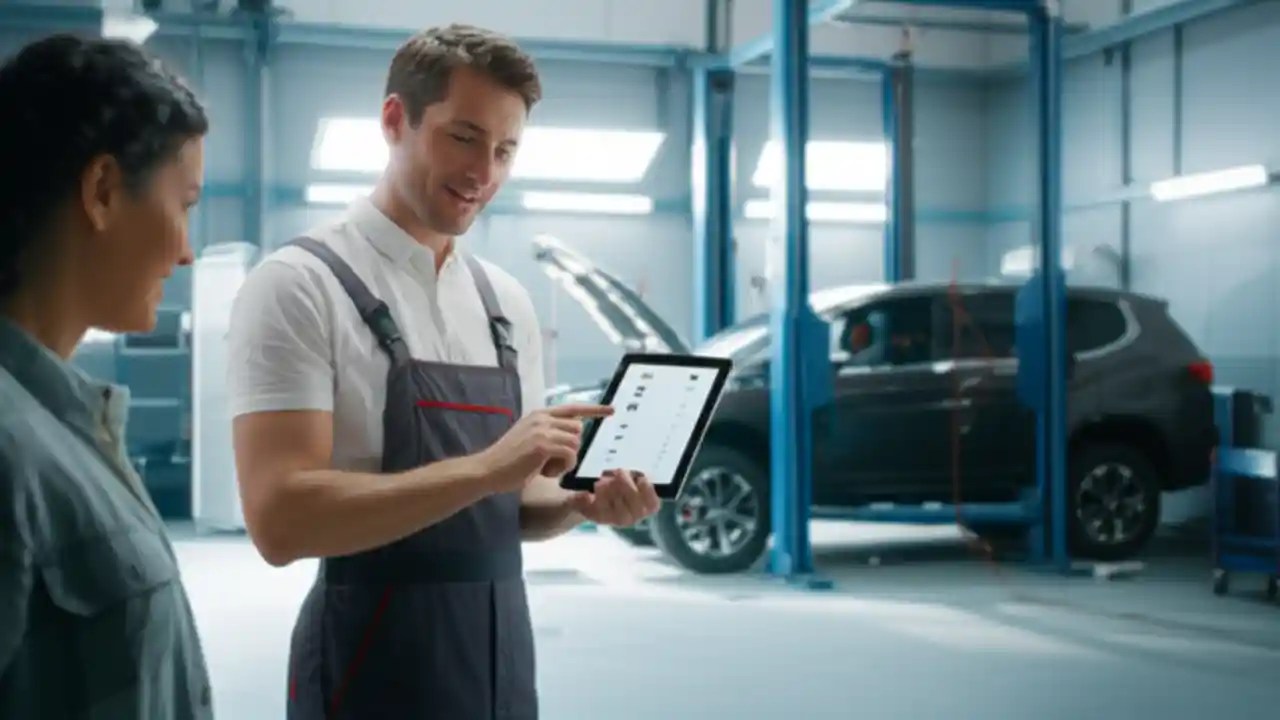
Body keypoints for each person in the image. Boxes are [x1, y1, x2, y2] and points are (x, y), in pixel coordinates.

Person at [226, 24, 661, 719]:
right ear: (394, 120)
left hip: (498, 666)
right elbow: (279, 520)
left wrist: (580, 505)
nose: (484, 172)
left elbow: (515, 504)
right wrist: (487, 468)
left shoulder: (505, 305)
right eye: (463, 137)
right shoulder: (298, 286)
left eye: (505, 150)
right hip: (368, 669)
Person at [0, 34, 213, 718]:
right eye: (184, 204)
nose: (187, 252)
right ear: (102, 192)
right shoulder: (12, 450)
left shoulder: (60, 426)